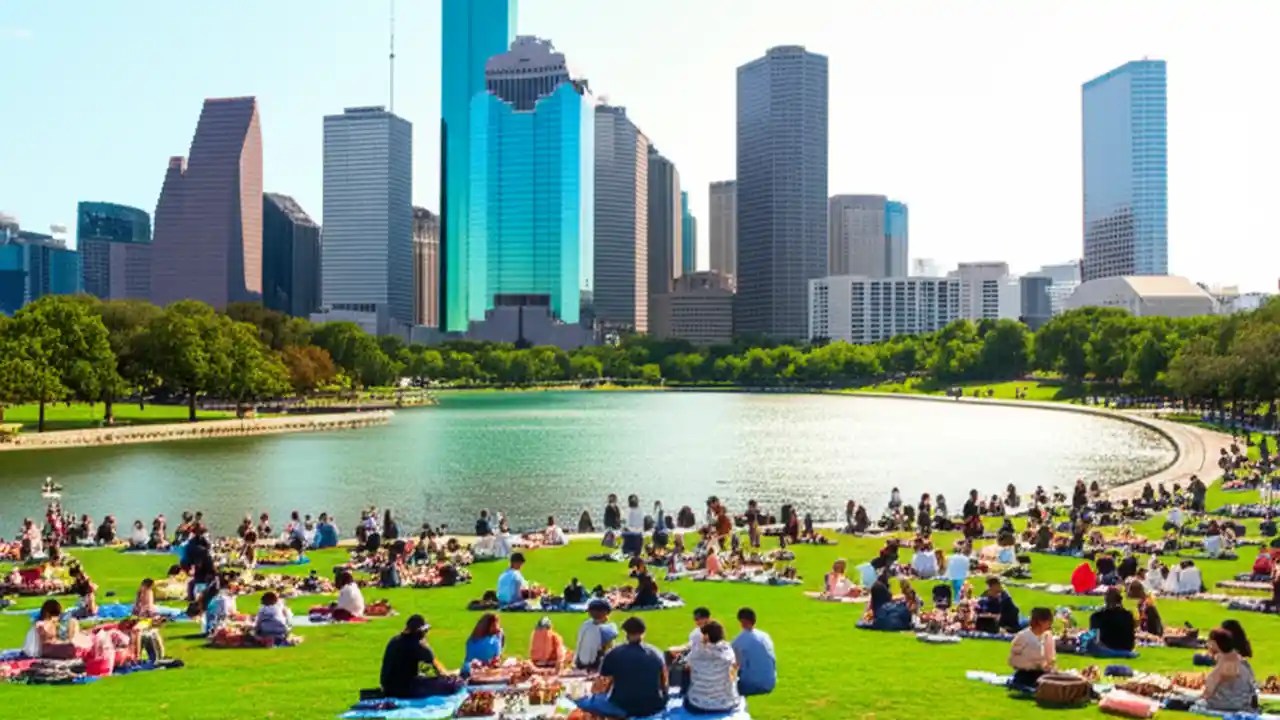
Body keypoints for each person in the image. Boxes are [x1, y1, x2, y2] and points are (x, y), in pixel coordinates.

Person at [577, 616, 668, 719]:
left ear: (626, 633)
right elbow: (664, 684)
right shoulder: (656, 653)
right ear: (643, 632)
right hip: (653, 707)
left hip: (622, 707)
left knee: (584, 702)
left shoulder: (614, 653)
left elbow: (600, 687)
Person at [380, 615, 458, 698]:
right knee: (451, 685)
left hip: (388, 689)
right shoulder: (417, 645)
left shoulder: (394, 640)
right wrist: (455, 673)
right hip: (405, 690)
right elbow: (442, 672)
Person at [684, 620, 741, 713]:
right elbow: (734, 671)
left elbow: (687, 667)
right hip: (726, 704)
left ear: (706, 636)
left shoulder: (696, 653)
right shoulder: (728, 653)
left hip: (698, 704)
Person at [1199, 628, 1257, 712]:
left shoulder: (1224, 663)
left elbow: (1207, 693)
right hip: (1244, 704)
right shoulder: (1243, 662)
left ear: (1214, 643)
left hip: (1222, 705)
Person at [731, 607, 775, 697]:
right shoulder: (765, 636)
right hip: (770, 682)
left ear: (741, 622)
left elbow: (735, 666)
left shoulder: (738, 641)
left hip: (751, 685)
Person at [1008, 607, 1056, 688]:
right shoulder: (1023, 636)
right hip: (1026, 673)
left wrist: (1049, 666)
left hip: (1043, 673)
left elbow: (1051, 658)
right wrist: (1032, 665)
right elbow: (1013, 660)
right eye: (1049, 621)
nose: (1050, 624)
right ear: (1040, 621)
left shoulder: (1048, 636)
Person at [574, 599, 618, 670]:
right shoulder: (588, 625)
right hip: (589, 664)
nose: (592, 613)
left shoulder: (586, 625)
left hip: (588, 664)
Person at [1089, 588, 1136, 653]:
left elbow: (1095, 640)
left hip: (1105, 647)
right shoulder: (1128, 615)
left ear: (1105, 600)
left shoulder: (1097, 616)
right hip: (1126, 647)